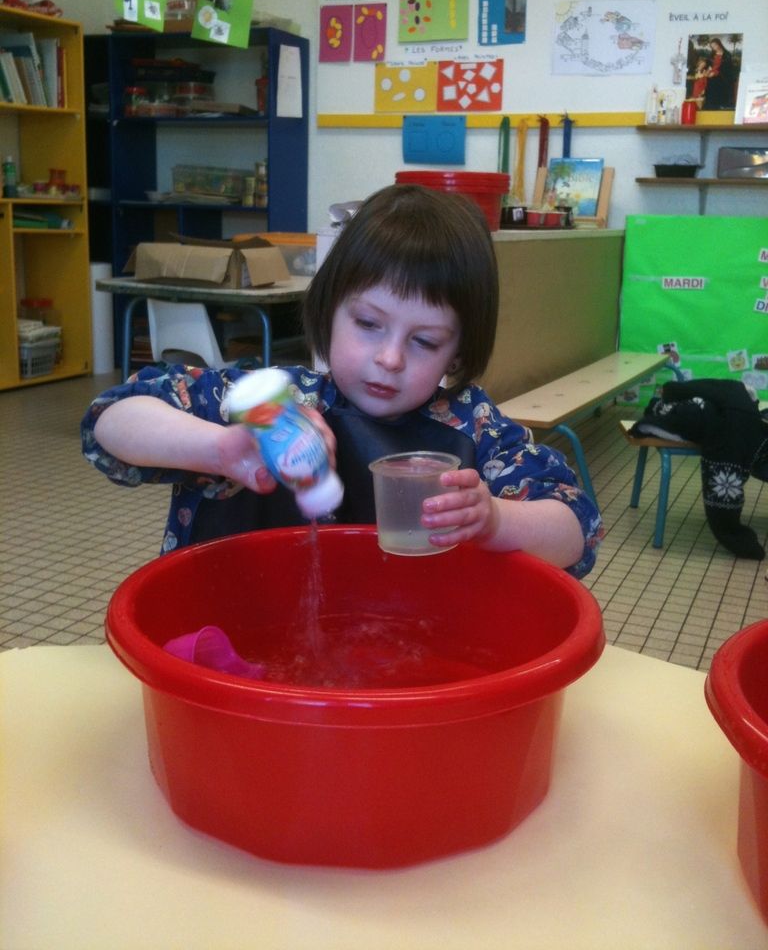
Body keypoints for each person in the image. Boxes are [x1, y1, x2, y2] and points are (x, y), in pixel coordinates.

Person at [82, 184, 602, 577]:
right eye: (369, 324)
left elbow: (577, 528)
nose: (390, 358)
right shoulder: (271, 401)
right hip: (230, 652)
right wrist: (221, 450)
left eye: (424, 341)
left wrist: (493, 521)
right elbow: (113, 417)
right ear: (330, 310)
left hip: (397, 658)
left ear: (458, 349)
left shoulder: (472, 426)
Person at [702, 37, 735, 111]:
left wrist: (716, 73)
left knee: (717, 83)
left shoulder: (727, 55)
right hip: (711, 76)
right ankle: (710, 106)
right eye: (712, 46)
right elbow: (708, 64)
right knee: (709, 83)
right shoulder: (712, 54)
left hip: (722, 77)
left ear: (719, 44)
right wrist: (707, 71)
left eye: (714, 45)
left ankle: (720, 106)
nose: (713, 48)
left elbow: (727, 68)